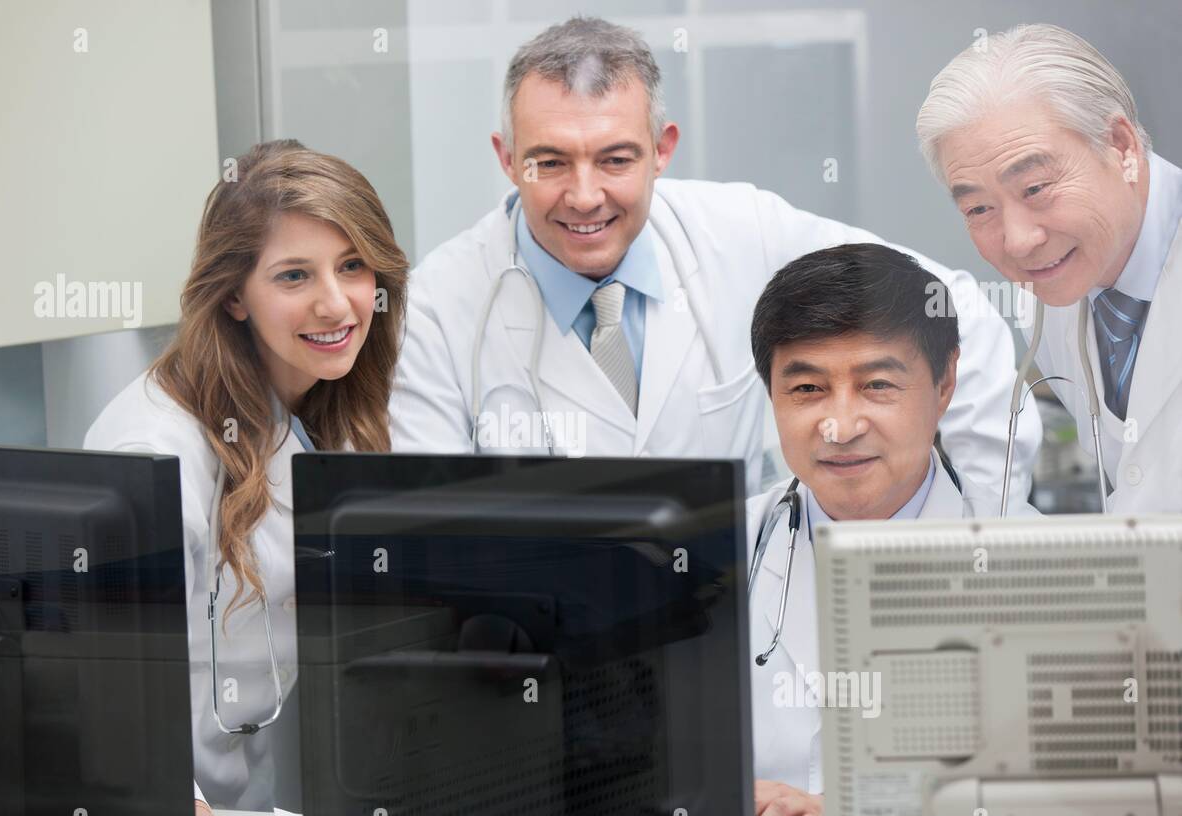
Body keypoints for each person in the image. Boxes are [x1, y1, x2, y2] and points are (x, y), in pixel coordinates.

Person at [390, 15, 1040, 500]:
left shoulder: (746, 232)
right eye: (550, 162)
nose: (584, 197)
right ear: (508, 158)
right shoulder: (439, 309)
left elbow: (951, 309)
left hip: (734, 638)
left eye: (616, 160)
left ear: (662, 149)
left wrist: (974, 525)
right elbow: (422, 524)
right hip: (540, 657)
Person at [84, 140, 408, 816]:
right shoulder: (156, 450)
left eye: (352, 265)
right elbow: (102, 681)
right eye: (294, 275)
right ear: (233, 294)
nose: (336, 302)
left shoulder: (333, 408)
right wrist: (175, 799)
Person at [746, 243, 1039, 816]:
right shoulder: (718, 552)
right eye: (806, 388)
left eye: (877, 384)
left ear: (945, 383)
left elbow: (1084, 815)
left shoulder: (1036, 561)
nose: (840, 425)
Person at [918, 23, 1181, 513]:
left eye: (1036, 188)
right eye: (978, 210)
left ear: (1121, 146)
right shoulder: (1047, 295)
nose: (1019, 242)